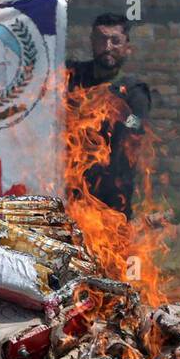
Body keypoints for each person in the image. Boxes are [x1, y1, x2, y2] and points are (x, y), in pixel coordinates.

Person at [67, 13, 152, 218]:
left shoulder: (134, 92)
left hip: (112, 192)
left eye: (115, 41)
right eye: (101, 39)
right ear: (92, 42)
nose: (107, 47)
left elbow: (138, 124)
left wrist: (122, 115)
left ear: (126, 47)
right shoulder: (72, 76)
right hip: (71, 184)